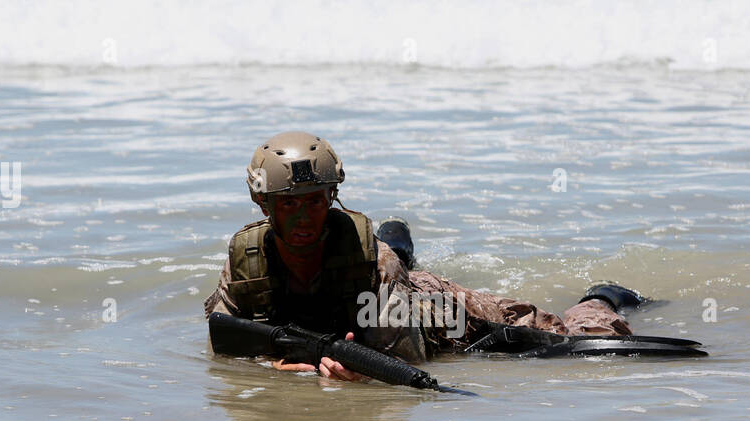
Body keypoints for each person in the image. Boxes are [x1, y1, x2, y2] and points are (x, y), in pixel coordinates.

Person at [203, 131, 647, 381]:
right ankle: (398, 240)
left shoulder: (374, 263)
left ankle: (604, 296)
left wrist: (359, 370)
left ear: (332, 198)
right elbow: (224, 344)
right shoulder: (247, 261)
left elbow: (409, 358)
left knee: (562, 337)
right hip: (368, 299)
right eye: (289, 205)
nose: (304, 218)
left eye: (315, 202)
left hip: (438, 314)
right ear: (265, 207)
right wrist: (277, 361)